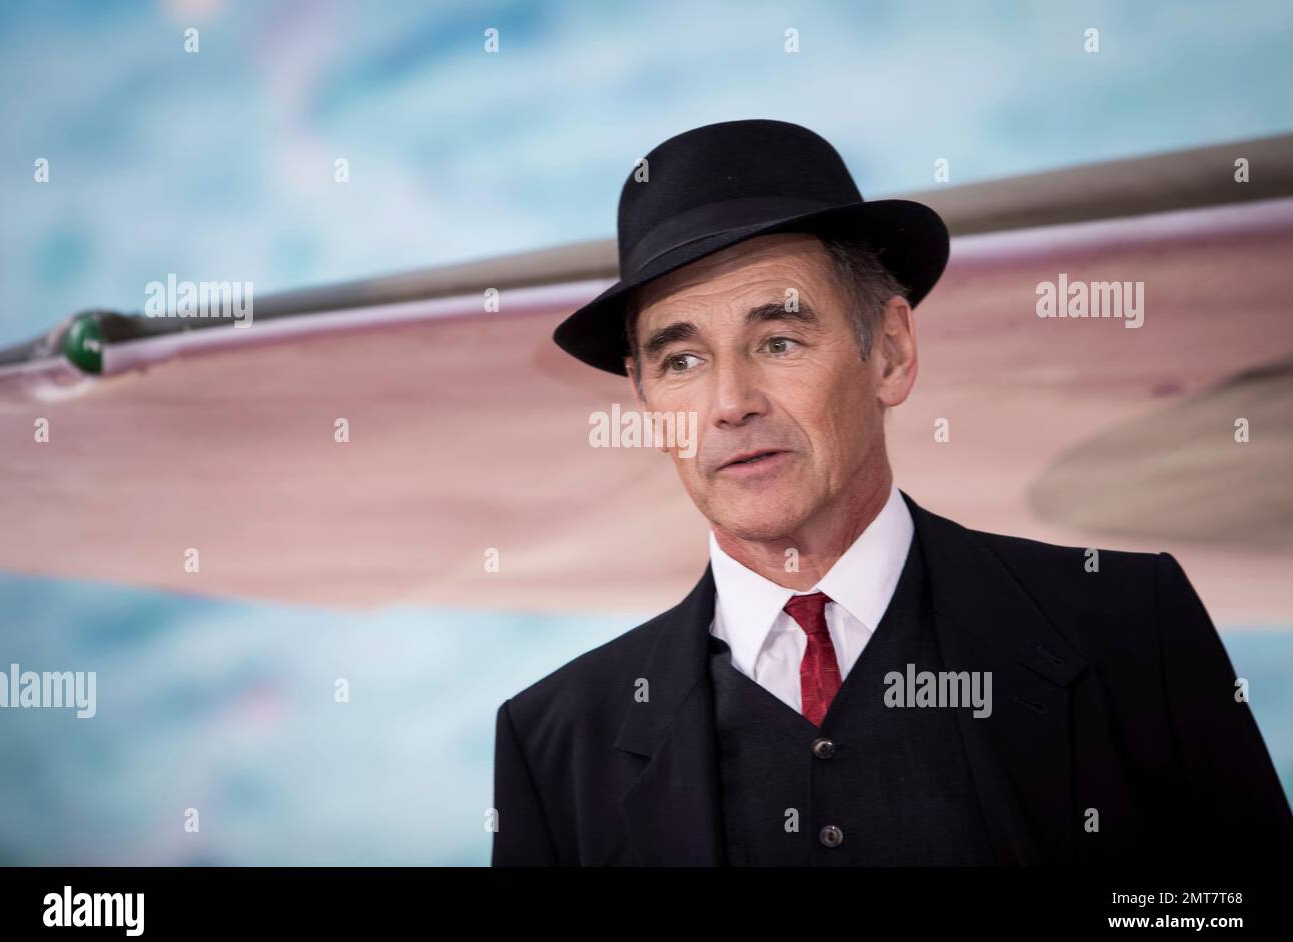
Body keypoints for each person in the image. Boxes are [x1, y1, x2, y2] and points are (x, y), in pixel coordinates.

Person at [491, 119, 1292, 865]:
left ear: (892, 353)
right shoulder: (556, 742)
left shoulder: (1129, 627)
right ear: (645, 399)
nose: (730, 402)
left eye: (779, 339)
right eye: (681, 362)